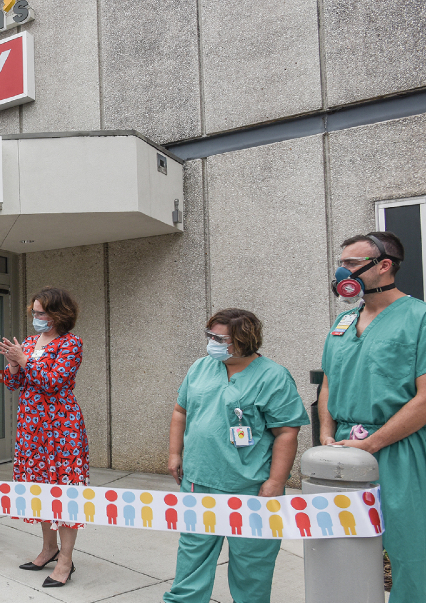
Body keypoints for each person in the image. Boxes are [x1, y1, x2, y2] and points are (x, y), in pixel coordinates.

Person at [164, 309, 309, 603]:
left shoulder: (273, 376)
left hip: (250, 486)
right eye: (210, 336)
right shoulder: (201, 368)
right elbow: (181, 410)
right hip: (199, 479)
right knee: (193, 554)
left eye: (220, 338)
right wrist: (174, 453)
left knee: (251, 562)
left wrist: (275, 482)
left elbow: (286, 432)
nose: (212, 342)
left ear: (244, 340)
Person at [319, 232, 426, 603]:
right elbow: (329, 383)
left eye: (350, 263)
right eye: (342, 261)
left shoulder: (419, 318)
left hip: (399, 448)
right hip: (343, 448)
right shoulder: (343, 322)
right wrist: (326, 434)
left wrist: (372, 444)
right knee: (341, 546)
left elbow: (425, 399)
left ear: (383, 266)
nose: (340, 270)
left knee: (408, 549)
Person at [0, 286, 89, 587]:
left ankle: (65, 560)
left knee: (64, 492)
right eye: (33, 312)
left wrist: (24, 360)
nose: (35, 318)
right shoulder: (30, 342)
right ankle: (49, 549)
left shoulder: (71, 344)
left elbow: (52, 382)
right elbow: (14, 385)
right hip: (32, 429)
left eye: (40, 313)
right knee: (40, 490)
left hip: (61, 429)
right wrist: (12, 365)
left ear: (58, 314)